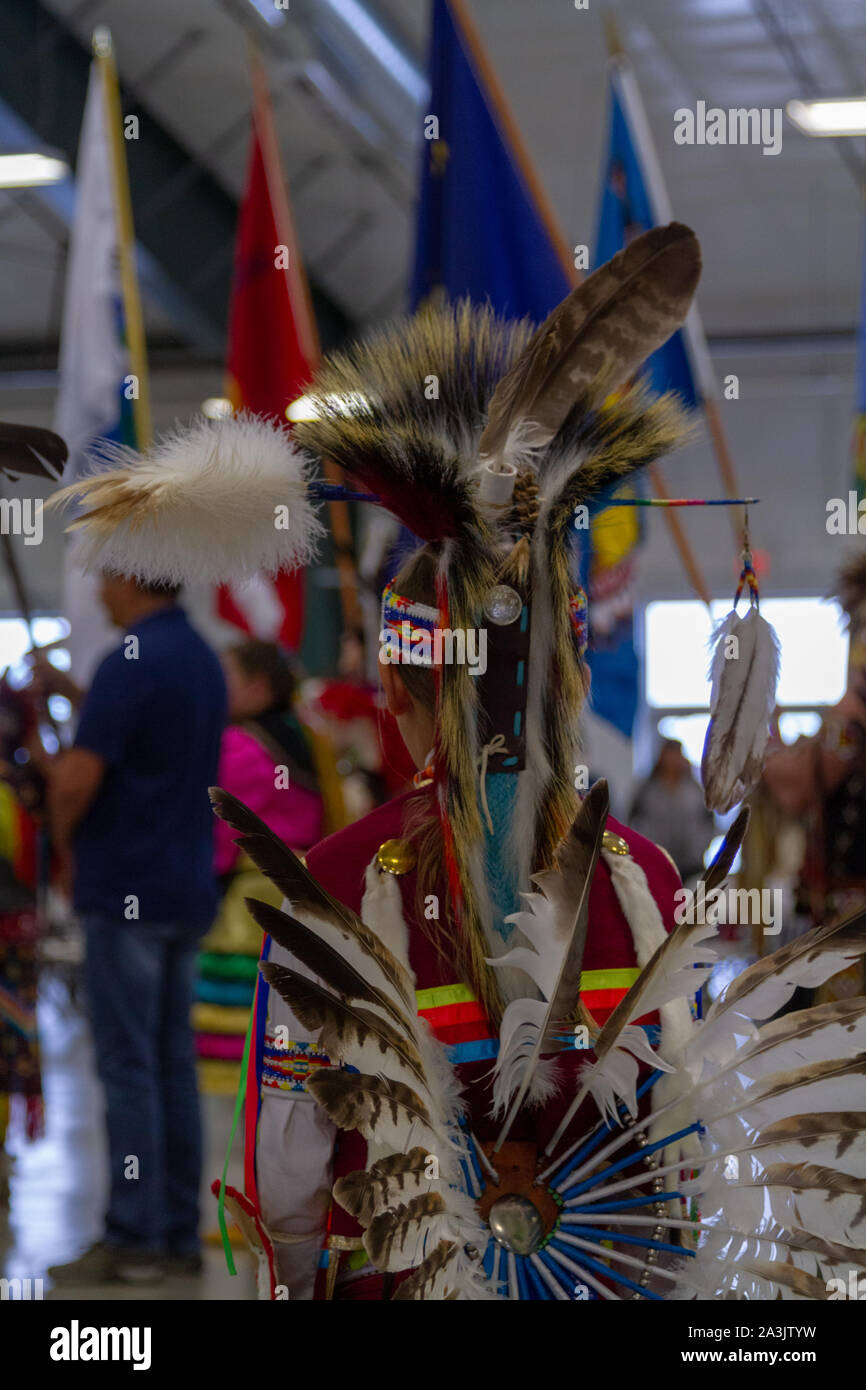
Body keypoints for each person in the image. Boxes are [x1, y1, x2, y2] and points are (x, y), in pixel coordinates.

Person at [57, 224, 866, 1301]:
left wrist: (294, 1276)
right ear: (568, 680)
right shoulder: (644, 880)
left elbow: (291, 1178)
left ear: (397, 691)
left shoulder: (333, 892)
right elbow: (681, 1164)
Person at [45, 572, 226, 1285]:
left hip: (125, 888)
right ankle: (176, 1230)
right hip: (184, 886)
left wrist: (64, 845)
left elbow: (74, 780)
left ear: (130, 576)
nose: (97, 591)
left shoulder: (128, 658)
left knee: (127, 1067)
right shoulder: (199, 656)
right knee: (170, 1064)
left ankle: (133, 1237)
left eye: (105, 575)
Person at [196, 641, 326, 1097]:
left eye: (226, 674)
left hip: (253, 900)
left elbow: (218, 829)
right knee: (291, 1030)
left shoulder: (240, 744)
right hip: (303, 892)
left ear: (257, 685)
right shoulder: (304, 731)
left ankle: (244, 1136)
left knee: (247, 1038)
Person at [629, 739, 715, 884]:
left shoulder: (695, 790)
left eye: (677, 755)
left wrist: (701, 847)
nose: (673, 760)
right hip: (656, 862)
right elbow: (632, 820)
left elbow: (708, 821)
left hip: (692, 864)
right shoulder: (647, 790)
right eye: (669, 754)